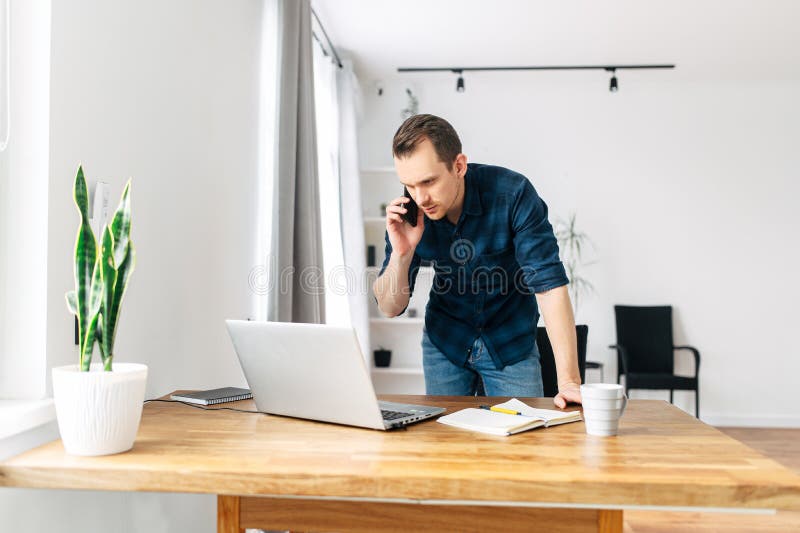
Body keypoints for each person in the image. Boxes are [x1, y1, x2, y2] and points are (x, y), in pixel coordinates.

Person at [372, 114, 582, 408]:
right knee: (445, 447)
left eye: (429, 181)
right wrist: (401, 254)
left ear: (459, 166)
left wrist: (570, 383)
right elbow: (389, 307)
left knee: (523, 447)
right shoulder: (409, 212)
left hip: (510, 344)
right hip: (446, 342)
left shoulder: (513, 195)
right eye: (408, 184)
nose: (420, 197)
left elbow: (548, 286)